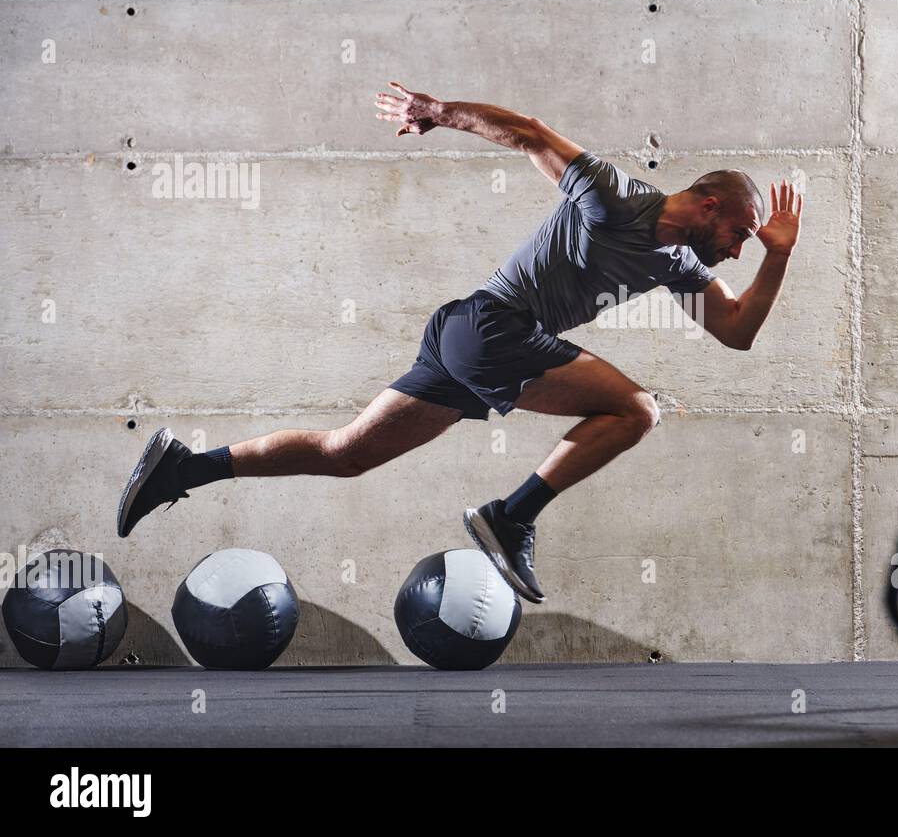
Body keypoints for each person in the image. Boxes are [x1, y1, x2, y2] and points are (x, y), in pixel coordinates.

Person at [116, 82, 804, 603]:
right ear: (710, 205)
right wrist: (438, 111)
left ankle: (182, 468)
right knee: (637, 410)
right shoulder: (618, 199)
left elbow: (737, 333)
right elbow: (531, 134)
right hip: (492, 327)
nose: (743, 250)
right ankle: (510, 518)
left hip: (467, 339)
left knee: (346, 453)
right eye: (744, 234)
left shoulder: (677, 263)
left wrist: (779, 256)